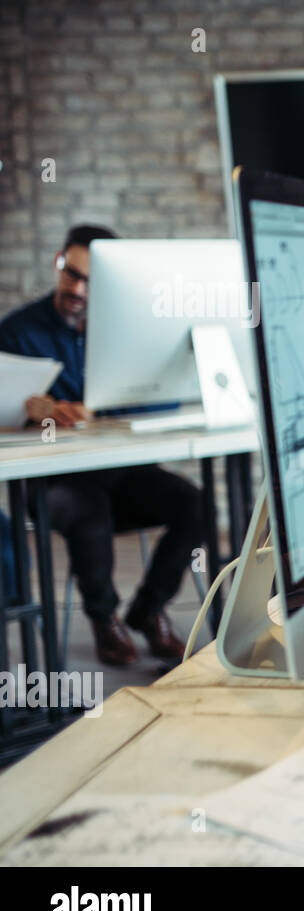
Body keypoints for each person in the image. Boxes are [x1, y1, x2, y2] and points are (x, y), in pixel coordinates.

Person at [0, 224, 200, 666]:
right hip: (51, 484)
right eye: (69, 272)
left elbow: (163, 396)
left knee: (193, 504)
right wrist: (30, 414)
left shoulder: (130, 332)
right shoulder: (17, 332)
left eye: (88, 280)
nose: (75, 287)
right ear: (59, 263)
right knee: (89, 510)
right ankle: (103, 619)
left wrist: (104, 409)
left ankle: (148, 611)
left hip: (122, 473)